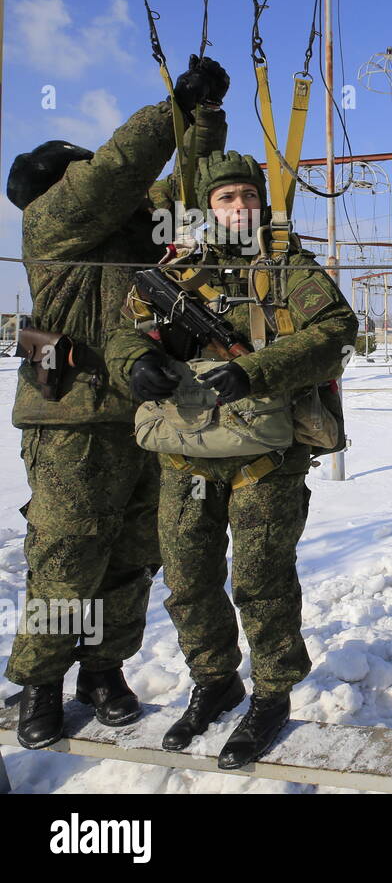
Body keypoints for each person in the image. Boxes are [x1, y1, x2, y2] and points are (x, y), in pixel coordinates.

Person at [5, 56, 229, 749]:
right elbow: (114, 174)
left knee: (136, 550)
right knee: (67, 552)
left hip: (143, 411)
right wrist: (172, 103)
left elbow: (186, 180)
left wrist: (201, 118)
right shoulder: (55, 222)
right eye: (84, 171)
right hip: (70, 415)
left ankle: (103, 669)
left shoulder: (134, 228)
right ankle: (40, 680)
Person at [107, 150, 358, 769]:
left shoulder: (287, 267)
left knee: (261, 582)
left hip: (265, 461)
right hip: (187, 457)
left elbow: (335, 331)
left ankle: (272, 695)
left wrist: (254, 370)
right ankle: (215, 678)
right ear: (206, 208)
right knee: (188, 579)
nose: (239, 207)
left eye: (249, 196)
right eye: (226, 198)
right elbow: (123, 331)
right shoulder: (176, 269)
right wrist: (133, 362)